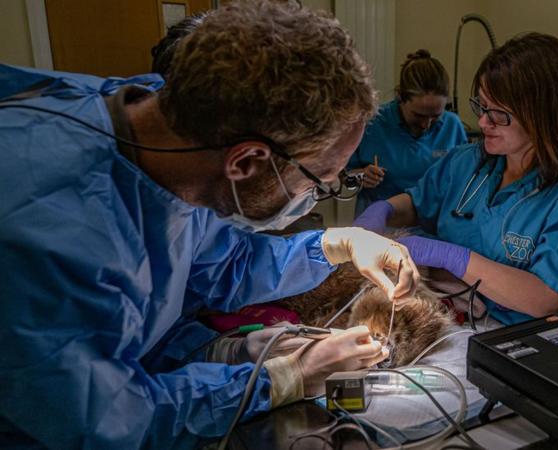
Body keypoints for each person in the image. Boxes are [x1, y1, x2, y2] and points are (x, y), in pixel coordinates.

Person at [0, 1, 421, 449]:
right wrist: (284, 379)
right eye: (320, 178)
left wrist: (336, 244)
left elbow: (218, 265)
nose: (326, 189)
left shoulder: (173, 129)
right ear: (246, 161)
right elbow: (107, 423)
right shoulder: (49, 241)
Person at [354, 32, 558, 330]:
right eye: (481, 107)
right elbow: (419, 203)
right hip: (455, 321)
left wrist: (452, 258)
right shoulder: (468, 161)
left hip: (535, 338)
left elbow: (547, 300)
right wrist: (384, 211)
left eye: (498, 114)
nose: (483, 122)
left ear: (544, 114)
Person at [347, 49, 467, 216]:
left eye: (436, 116)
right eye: (419, 115)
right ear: (400, 98)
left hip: (432, 224)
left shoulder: (452, 127)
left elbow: (464, 181)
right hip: (381, 223)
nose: (426, 124)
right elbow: (343, 177)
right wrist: (361, 176)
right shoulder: (372, 124)